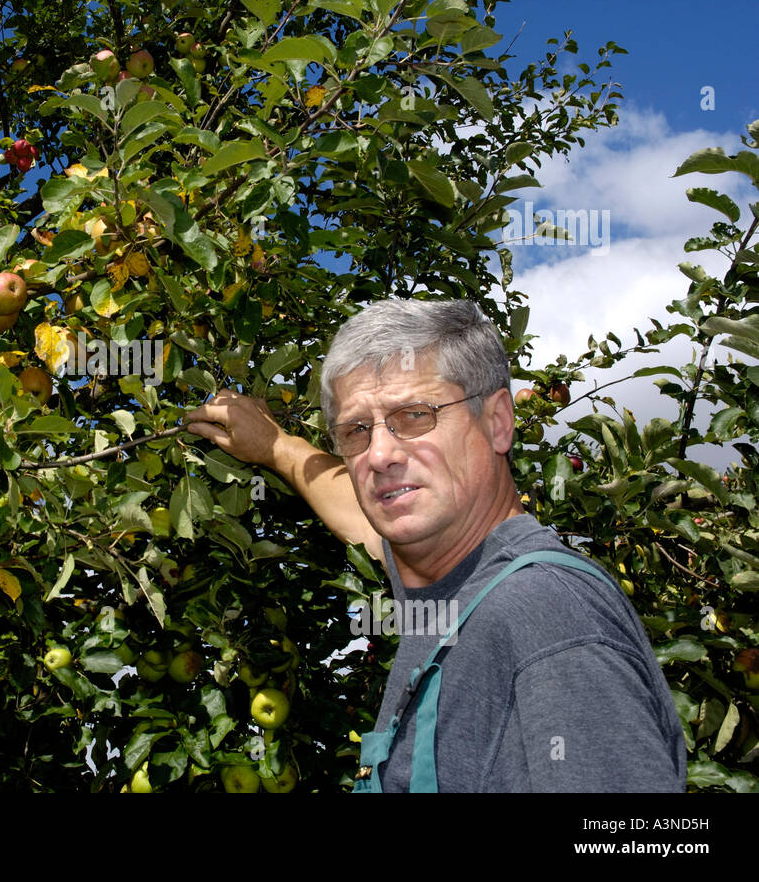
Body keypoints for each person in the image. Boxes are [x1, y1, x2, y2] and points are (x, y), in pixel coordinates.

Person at [184, 298, 686, 792]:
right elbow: (363, 519)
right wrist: (277, 447)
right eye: (357, 430)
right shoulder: (454, 577)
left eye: (416, 416)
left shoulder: (545, 617)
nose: (379, 454)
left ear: (498, 422)